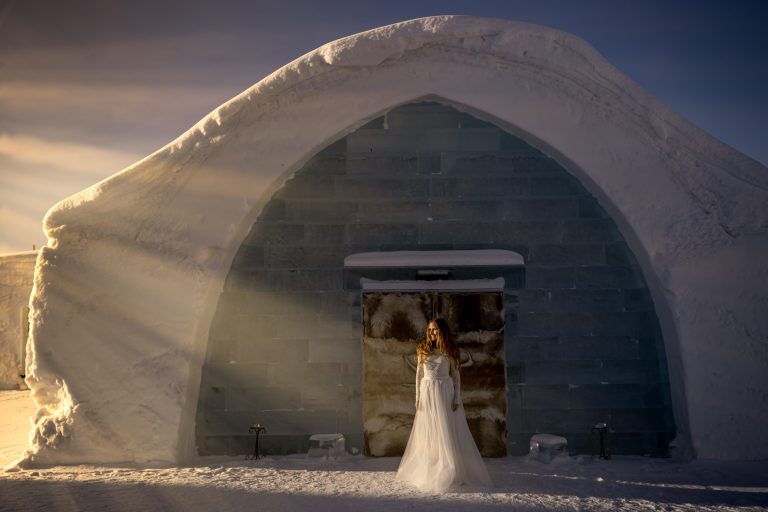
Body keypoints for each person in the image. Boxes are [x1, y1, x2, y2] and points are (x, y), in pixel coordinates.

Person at [395, 318, 493, 493]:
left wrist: (456, 398)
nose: (432, 333)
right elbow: (418, 375)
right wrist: (417, 398)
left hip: (444, 392)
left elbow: (456, 376)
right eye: (430, 330)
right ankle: (430, 466)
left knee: (446, 429)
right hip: (427, 392)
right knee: (430, 431)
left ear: (442, 332)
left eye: (435, 330)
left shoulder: (449, 351)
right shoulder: (423, 350)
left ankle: (449, 468)